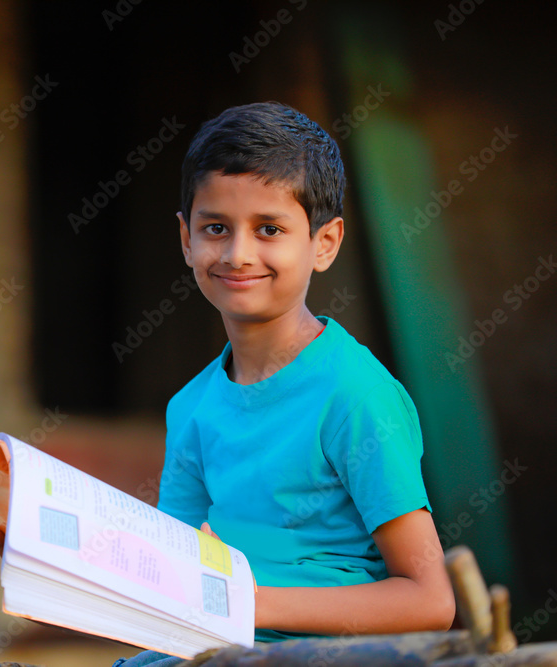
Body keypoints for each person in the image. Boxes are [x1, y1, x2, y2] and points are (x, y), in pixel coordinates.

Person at [107, 101, 455, 665]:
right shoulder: (192, 407)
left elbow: (430, 600)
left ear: (325, 243)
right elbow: (170, 577)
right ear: (186, 239)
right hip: (210, 649)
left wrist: (248, 605)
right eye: (215, 228)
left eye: (269, 229)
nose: (238, 254)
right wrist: (51, 567)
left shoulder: (356, 396)